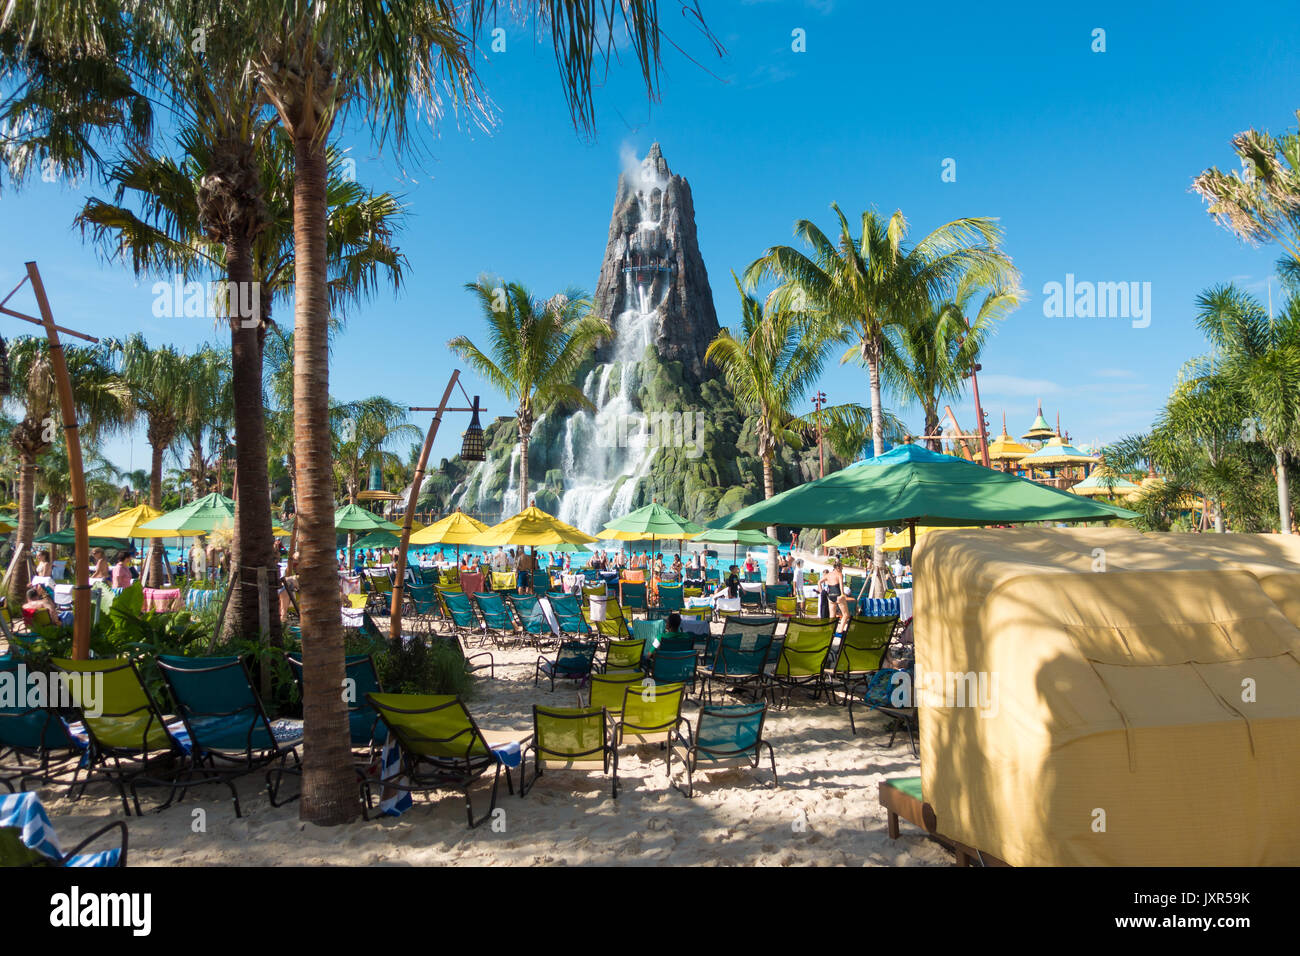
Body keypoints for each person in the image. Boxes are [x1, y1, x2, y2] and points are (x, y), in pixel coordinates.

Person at [823, 559, 851, 634]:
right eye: (842, 567)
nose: (842, 569)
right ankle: (840, 630)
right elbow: (841, 585)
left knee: (832, 616)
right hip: (838, 595)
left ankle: (831, 630)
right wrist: (842, 594)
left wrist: (820, 590)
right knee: (846, 614)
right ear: (838, 567)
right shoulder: (839, 574)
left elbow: (819, 582)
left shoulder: (828, 574)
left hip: (830, 596)